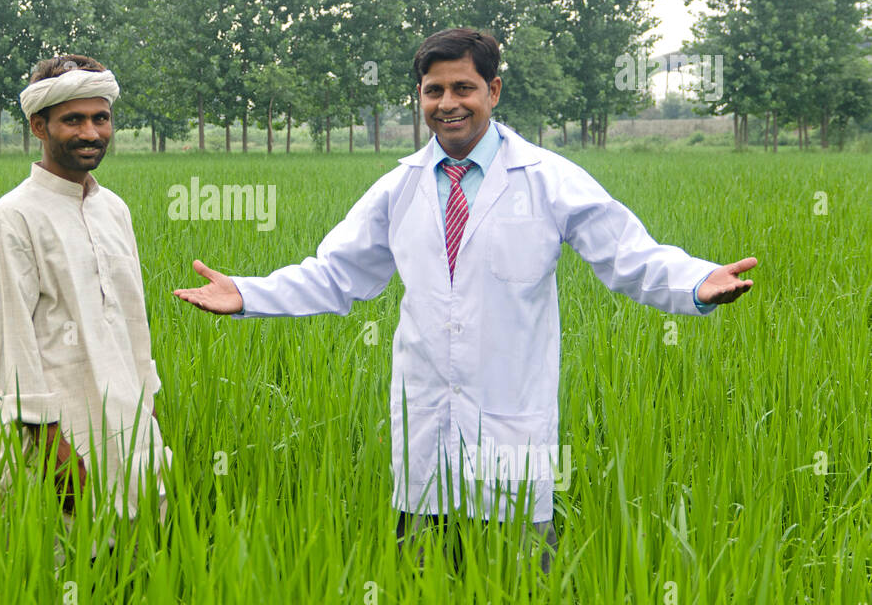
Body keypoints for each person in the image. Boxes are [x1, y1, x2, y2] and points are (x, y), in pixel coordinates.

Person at [173, 28, 755, 573]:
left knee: (526, 582)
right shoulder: (399, 186)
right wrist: (248, 292)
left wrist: (694, 282)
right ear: (419, 97)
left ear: (493, 91)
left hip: (511, 417)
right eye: (434, 90)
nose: (448, 102)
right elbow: (336, 274)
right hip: (425, 417)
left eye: (463, 88)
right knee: (421, 582)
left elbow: (628, 254)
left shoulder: (547, 178)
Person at [0, 54, 171, 543]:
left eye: (100, 118)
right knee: (59, 570)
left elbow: (133, 322)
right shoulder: (14, 219)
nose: (90, 133)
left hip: (130, 422)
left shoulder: (114, 210)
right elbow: (10, 350)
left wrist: (147, 414)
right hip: (58, 436)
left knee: (141, 566)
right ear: (40, 126)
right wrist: (53, 453)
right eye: (73, 120)